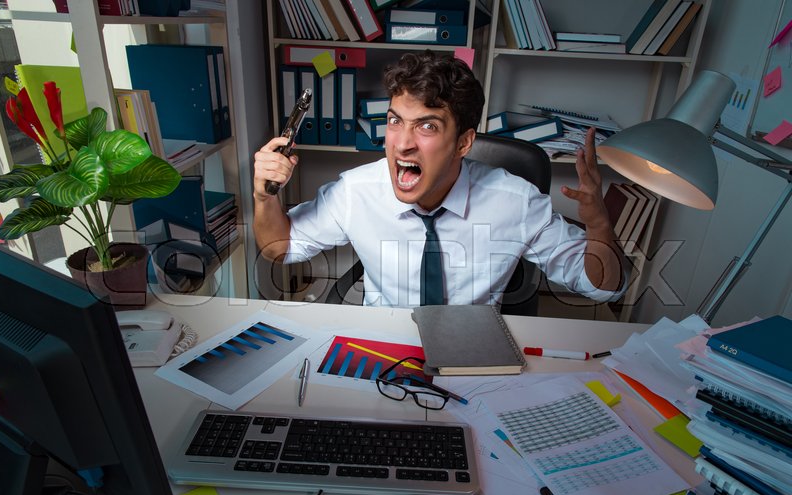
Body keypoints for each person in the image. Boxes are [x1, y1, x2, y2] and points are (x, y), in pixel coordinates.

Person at [253, 51, 625, 308]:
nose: (402, 143)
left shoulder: (515, 202)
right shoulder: (356, 192)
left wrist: (598, 224)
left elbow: (602, 288)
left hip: (473, 349)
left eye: (427, 126)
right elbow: (278, 249)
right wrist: (264, 198)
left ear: (463, 142)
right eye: (395, 121)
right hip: (384, 344)